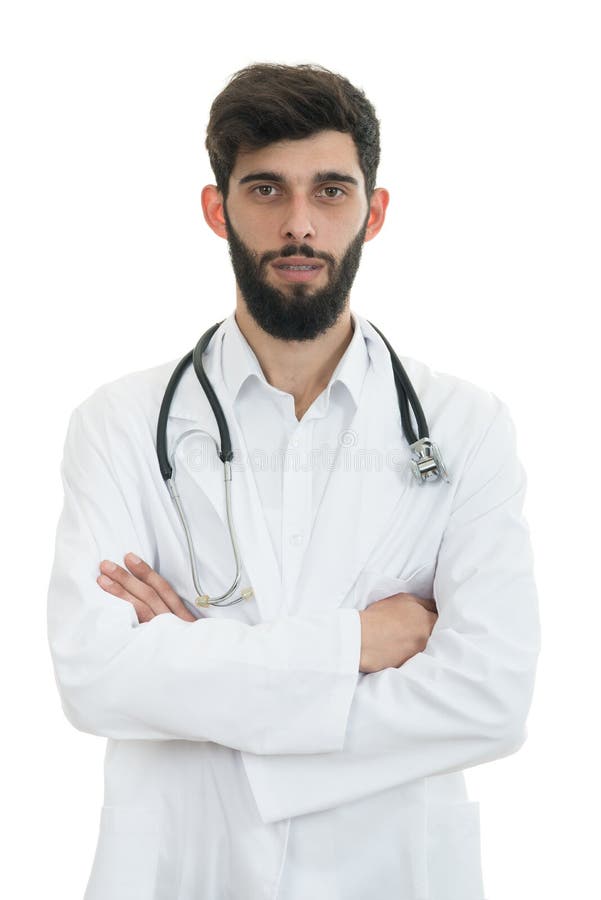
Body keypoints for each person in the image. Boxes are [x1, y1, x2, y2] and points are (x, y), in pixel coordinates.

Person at [47, 62, 540, 900]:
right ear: (218, 209)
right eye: (266, 190)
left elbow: (490, 697)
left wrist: (197, 675)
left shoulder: (466, 427)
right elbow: (94, 676)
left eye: (331, 191)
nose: (300, 225)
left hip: (391, 870)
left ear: (373, 212)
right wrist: (356, 645)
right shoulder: (121, 426)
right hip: (183, 871)